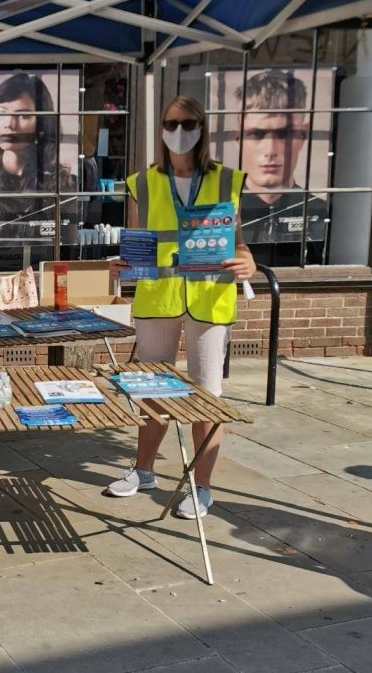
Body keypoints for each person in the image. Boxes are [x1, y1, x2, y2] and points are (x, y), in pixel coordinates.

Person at [107, 96, 255, 518]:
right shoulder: (144, 181)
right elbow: (140, 241)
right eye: (170, 123)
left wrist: (249, 261)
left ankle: (201, 485)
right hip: (159, 298)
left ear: (202, 127)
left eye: (187, 123)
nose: (178, 130)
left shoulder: (228, 180)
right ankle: (144, 469)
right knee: (152, 389)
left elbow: (240, 243)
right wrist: (123, 262)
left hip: (210, 298)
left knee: (207, 395)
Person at [0, 73, 96, 261]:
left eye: (23, 115)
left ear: (42, 123)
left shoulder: (64, 184)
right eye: (1, 113)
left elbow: (69, 246)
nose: (9, 125)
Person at [235, 70, 328, 265]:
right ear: (238, 138)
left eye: (284, 134)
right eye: (257, 134)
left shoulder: (319, 210)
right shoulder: (222, 212)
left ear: (303, 136)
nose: (270, 150)